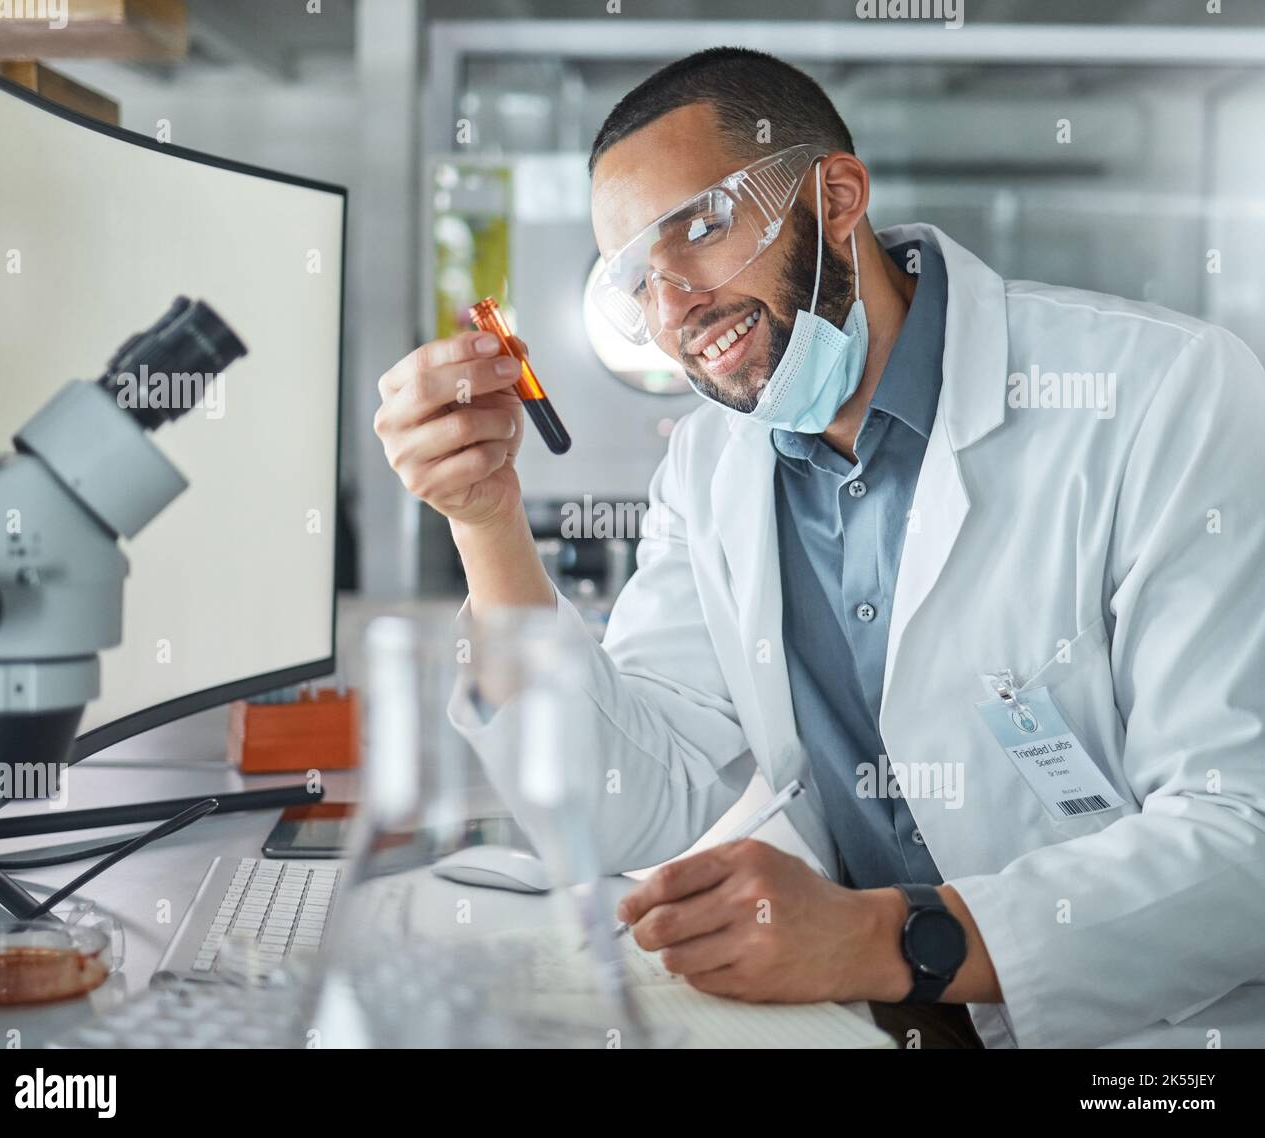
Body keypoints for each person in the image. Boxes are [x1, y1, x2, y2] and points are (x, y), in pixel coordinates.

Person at [374, 47, 1265, 1049]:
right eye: (632, 279)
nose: (672, 310)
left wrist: (882, 938)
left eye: (700, 230)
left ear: (835, 195)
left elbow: (1244, 834)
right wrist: (483, 516)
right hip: (884, 1024)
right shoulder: (712, 466)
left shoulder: (1163, 396)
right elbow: (632, 801)